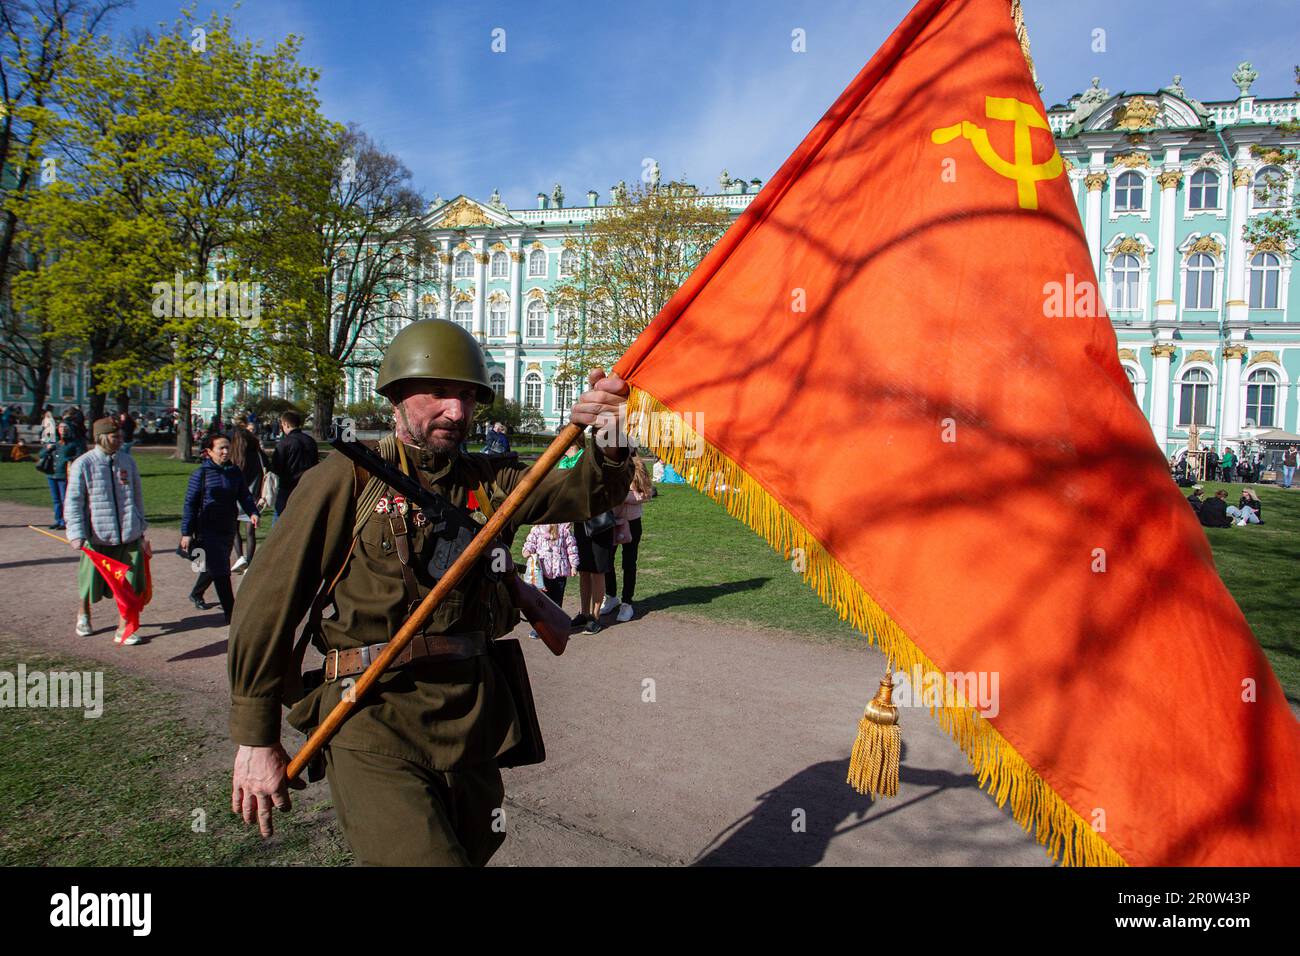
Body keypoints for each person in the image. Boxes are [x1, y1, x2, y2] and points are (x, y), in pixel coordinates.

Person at [227, 318, 635, 865]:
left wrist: (608, 434)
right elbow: (267, 602)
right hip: (370, 713)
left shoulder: (492, 482)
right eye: (440, 393)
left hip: (470, 717)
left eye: (468, 396)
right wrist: (256, 736)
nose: (458, 412)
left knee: (472, 849)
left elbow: (587, 492)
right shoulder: (347, 478)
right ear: (396, 397)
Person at [64, 417, 151, 644]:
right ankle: (83, 614)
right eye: (115, 436)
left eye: (121, 435)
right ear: (102, 437)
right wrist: (76, 534)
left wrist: (141, 525)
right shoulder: (83, 464)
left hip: (129, 534)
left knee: (130, 583)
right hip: (97, 536)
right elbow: (73, 501)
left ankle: (124, 627)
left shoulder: (128, 462)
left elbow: (138, 496)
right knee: (89, 581)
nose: (120, 440)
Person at [182, 433, 260, 622]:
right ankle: (230, 611)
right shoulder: (200, 474)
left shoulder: (234, 472)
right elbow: (190, 504)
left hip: (228, 528)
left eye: (228, 447)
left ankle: (196, 593)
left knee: (214, 566)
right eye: (221, 448)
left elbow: (244, 496)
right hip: (207, 529)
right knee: (222, 570)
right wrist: (186, 533)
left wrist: (253, 512)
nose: (226, 451)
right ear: (209, 452)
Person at [601, 453, 654, 623]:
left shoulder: (638, 466)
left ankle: (627, 602)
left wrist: (622, 496)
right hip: (612, 520)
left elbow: (646, 494)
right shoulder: (610, 465)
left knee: (629, 563)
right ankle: (611, 596)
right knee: (607, 560)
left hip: (632, 523)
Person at [521, 521, 580, 637]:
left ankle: (555, 627)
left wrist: (574, 565)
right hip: (542, 573)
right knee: (541, 602)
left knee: (556, 602)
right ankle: (540, 627)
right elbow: (530, 542)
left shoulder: (564, 529)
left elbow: (571, 548)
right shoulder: (537, 528)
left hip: (559, 573)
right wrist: (527, 551)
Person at [229, 416, 269, 573]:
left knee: (235, 530)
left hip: (236, 498)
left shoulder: (234, 458)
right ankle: (249, 561)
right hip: (254, 498)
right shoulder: (258, 455)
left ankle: (240, 558)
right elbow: (268, 470)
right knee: (250, 532)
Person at [269, 410, 318, 516]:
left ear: (285, 424)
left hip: (288, 487)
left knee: (280, 519)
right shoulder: (311, 441)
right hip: (308, 486)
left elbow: (276, 467)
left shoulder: (284, 443)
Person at [44, 422, 81, 530]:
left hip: (63, 474)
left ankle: (66, 521)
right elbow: (42, 454)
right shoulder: (54, 442)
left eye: (65, 427)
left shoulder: (73, 443)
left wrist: (68, 459)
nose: (63, 429)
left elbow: (79, 455)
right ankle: (58, 519)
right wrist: (47, 449)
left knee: (64, 499)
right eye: (61, 427)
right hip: (51, 474)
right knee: (56, 500)